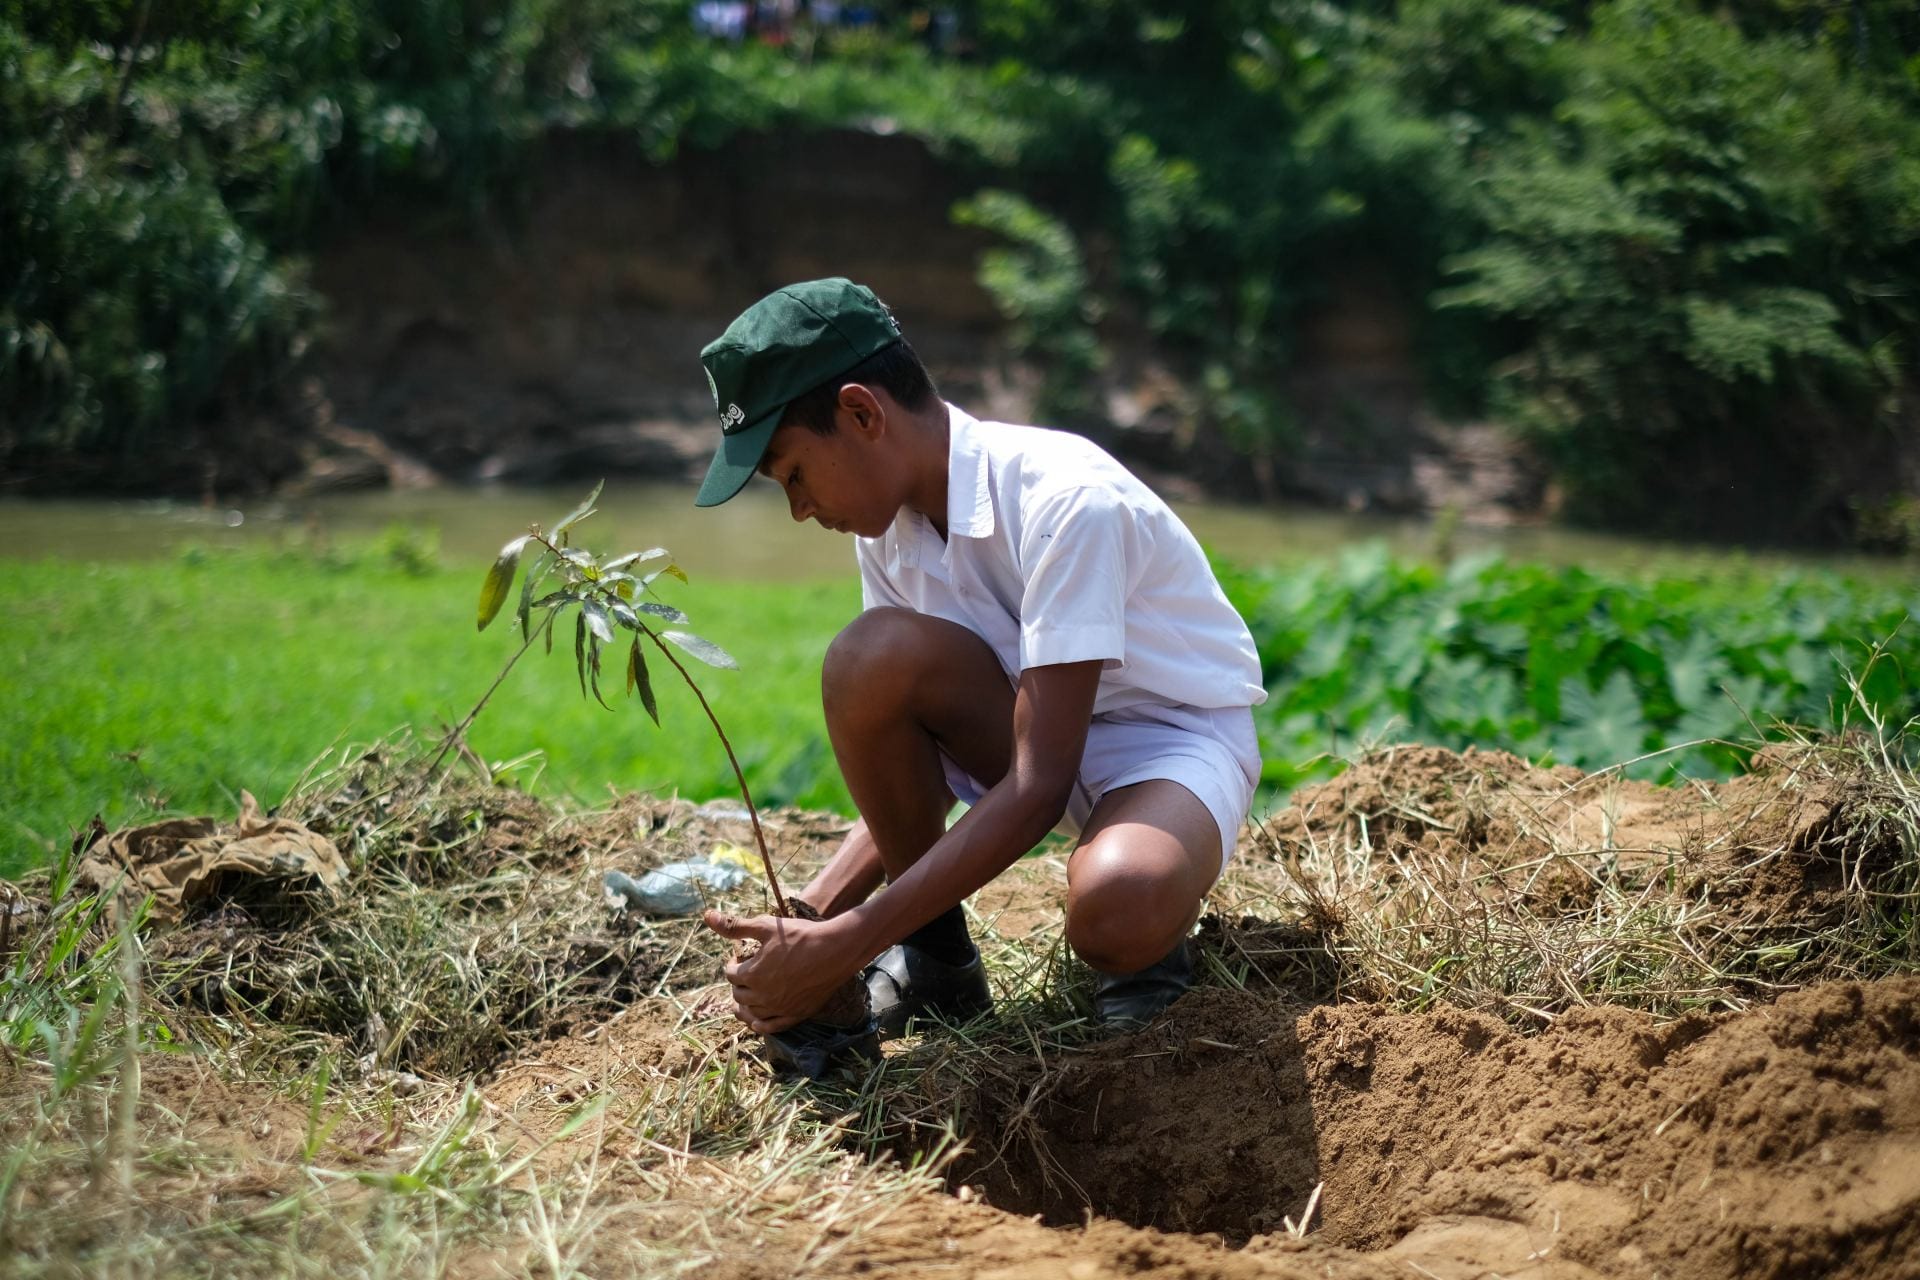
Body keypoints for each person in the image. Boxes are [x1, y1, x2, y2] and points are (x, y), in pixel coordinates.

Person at [693, 278, 1265, 1069]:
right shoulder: (889, 529)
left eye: (793, 475)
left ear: (863, 415)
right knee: (869, 658)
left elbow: (1036, 787)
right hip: (1027, 738)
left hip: (1168, 748)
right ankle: (938, 966)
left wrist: (849, 941)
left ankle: (1150, 954)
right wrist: (811, 913)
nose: (799, 510)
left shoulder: (1066, 501)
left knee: (1117, 904)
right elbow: (920, 777)